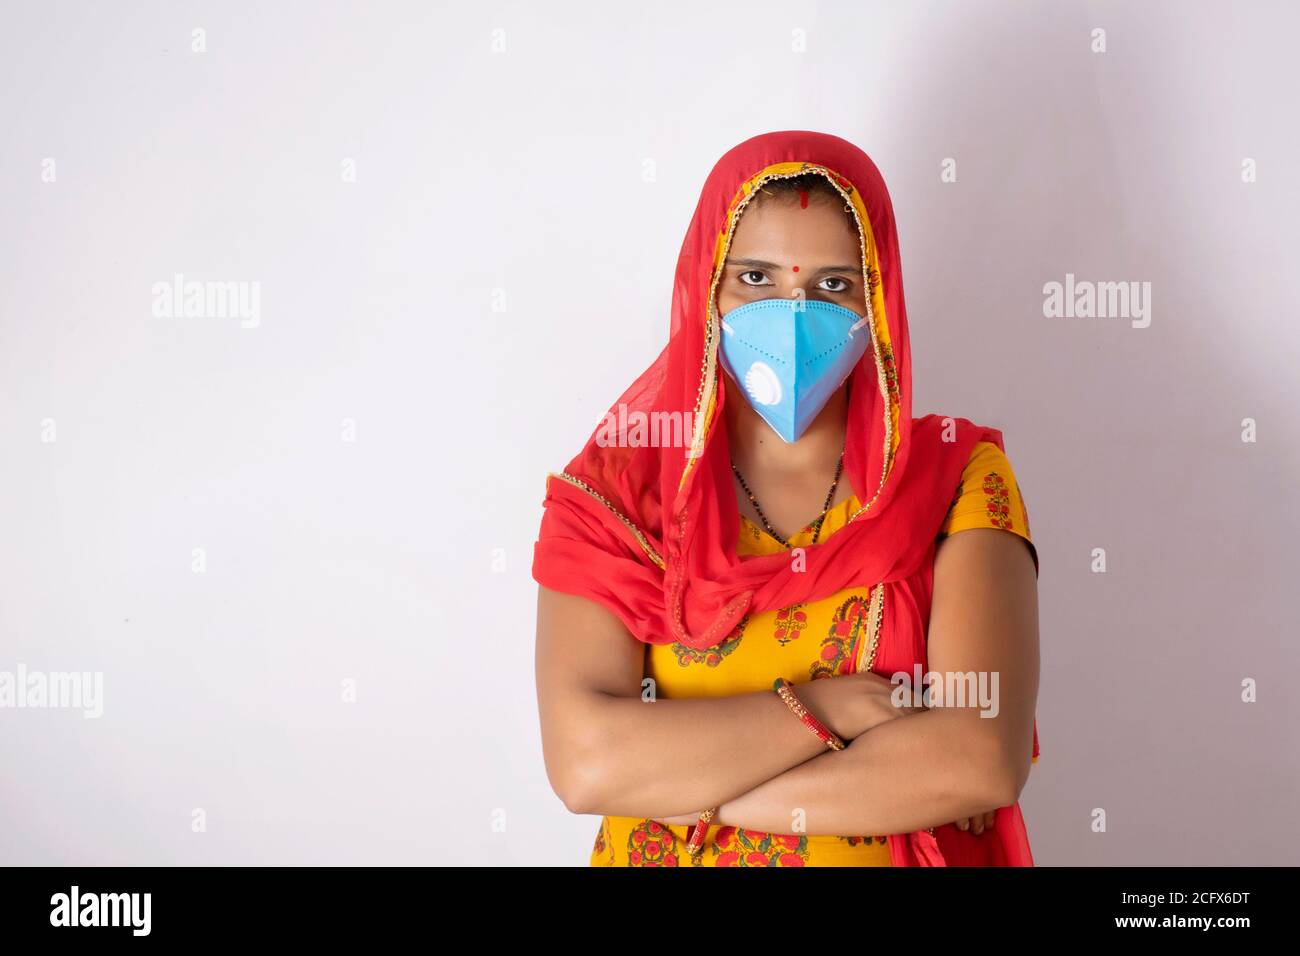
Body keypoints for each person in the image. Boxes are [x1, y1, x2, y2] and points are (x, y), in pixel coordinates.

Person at [532, 130, 1041, 866]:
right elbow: (586, 765)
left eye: (834, 286)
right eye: (757, 279)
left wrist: (690, 795)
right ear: (707, 284)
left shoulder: (958, 477)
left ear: (880, 298)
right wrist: (829, 712)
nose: (794, 313)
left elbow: (978, 758)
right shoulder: (619, 494)